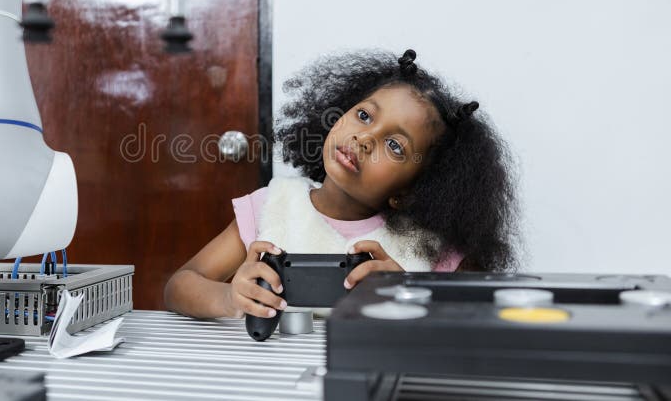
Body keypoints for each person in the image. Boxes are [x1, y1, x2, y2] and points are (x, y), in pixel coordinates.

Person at [164, 49, 519, 320]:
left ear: (409, 192)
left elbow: (477, 321)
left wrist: (412, 294)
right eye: (364, 115)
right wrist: (228, 298)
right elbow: (180, 285)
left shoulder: (427, 248)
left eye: (394, 145)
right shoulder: (273, 206)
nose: (364, 138)